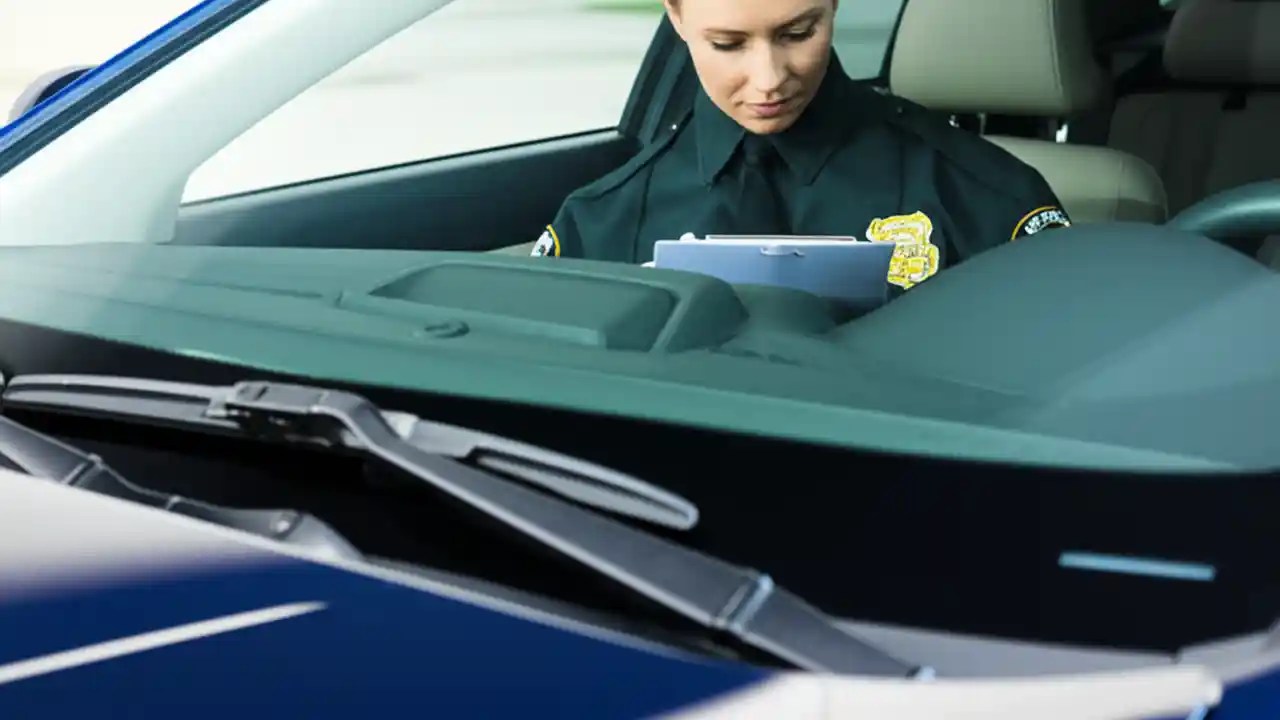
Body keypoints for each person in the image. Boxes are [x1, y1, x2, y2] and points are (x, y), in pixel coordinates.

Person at [530, 0, 1072, 292]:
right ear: (675, 15)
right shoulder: (599, 225)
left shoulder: (985, 199)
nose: (768, 79)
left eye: (797, 33)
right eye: (728, 44)